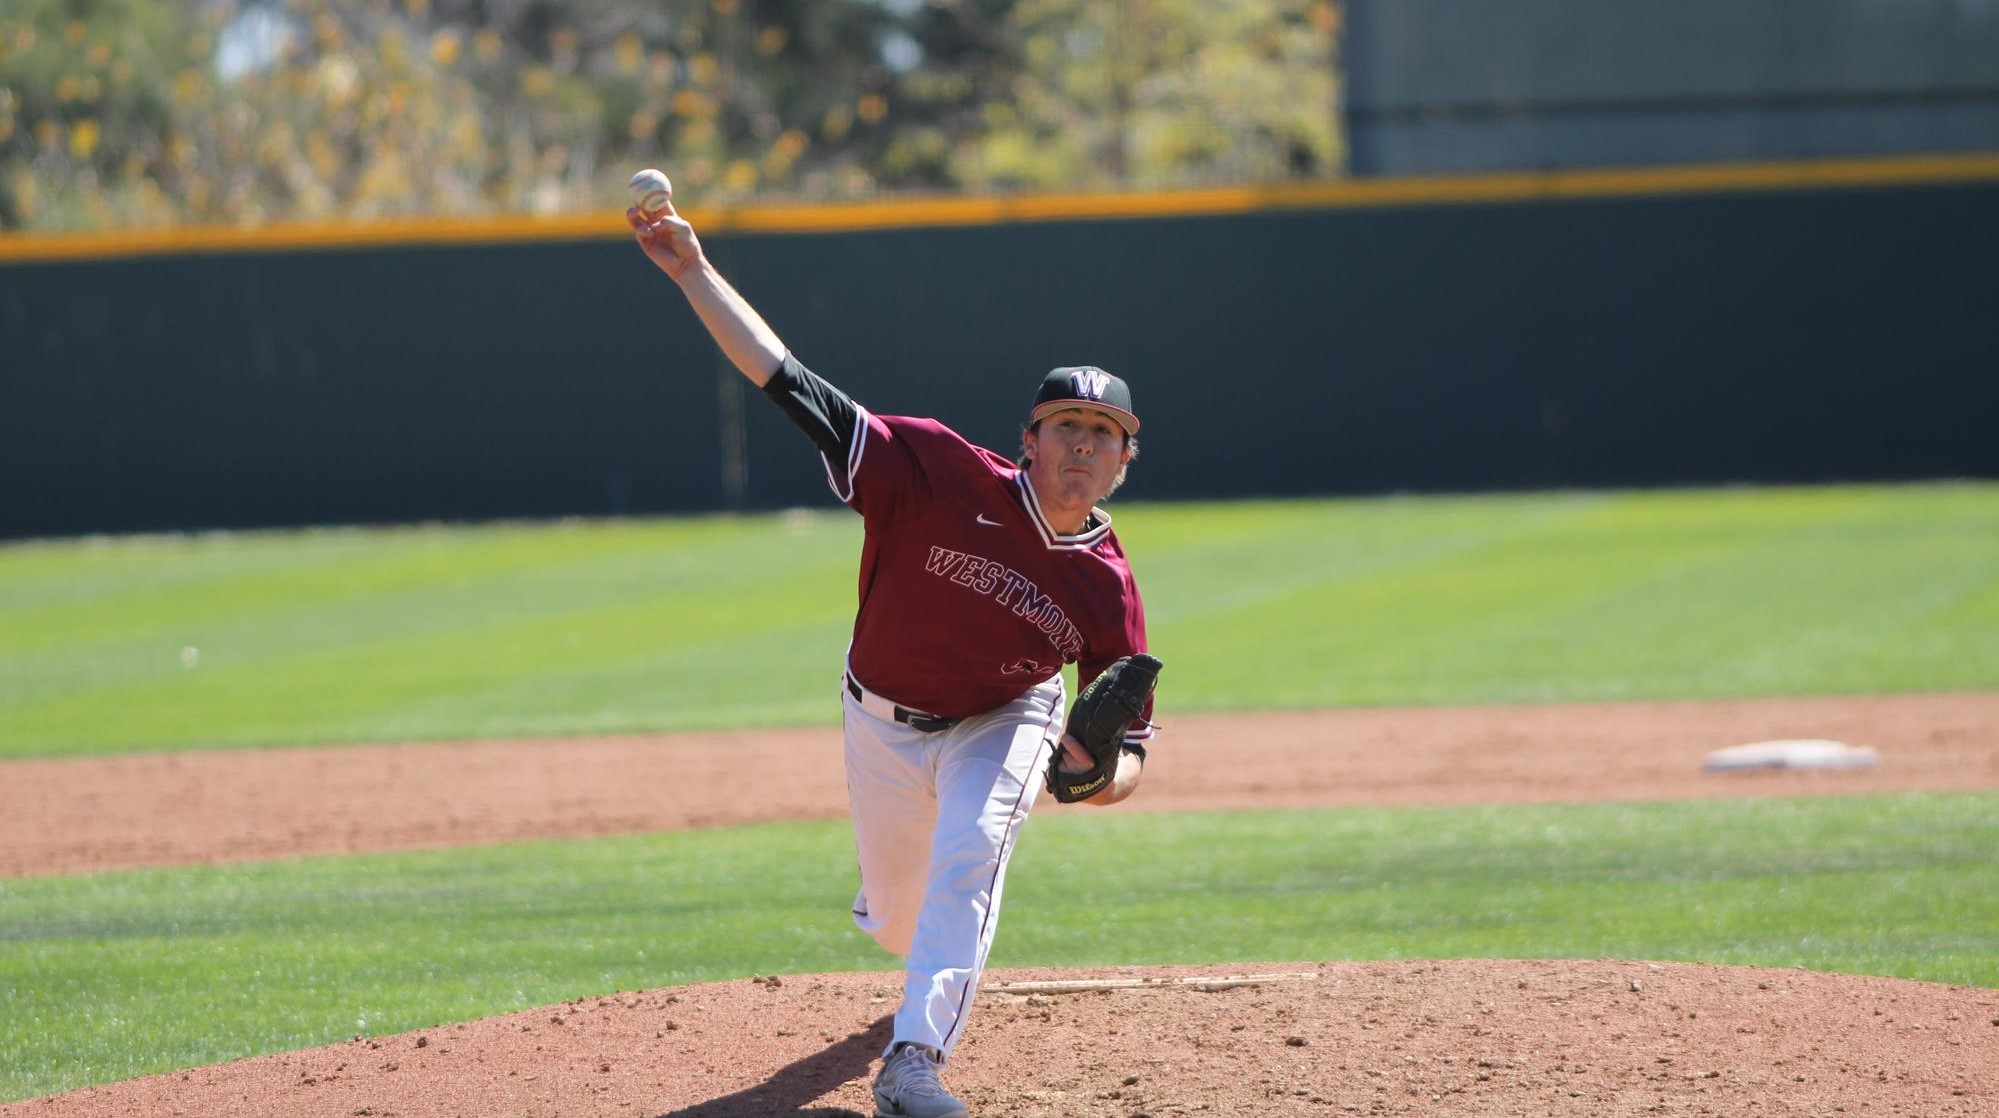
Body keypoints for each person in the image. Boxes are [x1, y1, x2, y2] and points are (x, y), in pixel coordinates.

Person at [629, 184, 1157, 1118]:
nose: (1082, 447)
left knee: (975, 851)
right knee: (900, 922)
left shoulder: (1106, 586)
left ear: (1124, 462)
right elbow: (787, 380)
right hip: (878, 713)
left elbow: (1129, 761)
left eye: (1102, 437)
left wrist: (1088, 775)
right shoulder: (933, 468)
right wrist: (694, 272)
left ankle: (913, 1063)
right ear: (1027, 440)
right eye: (1065, 428)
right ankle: (906, 961)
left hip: (1005, 715)